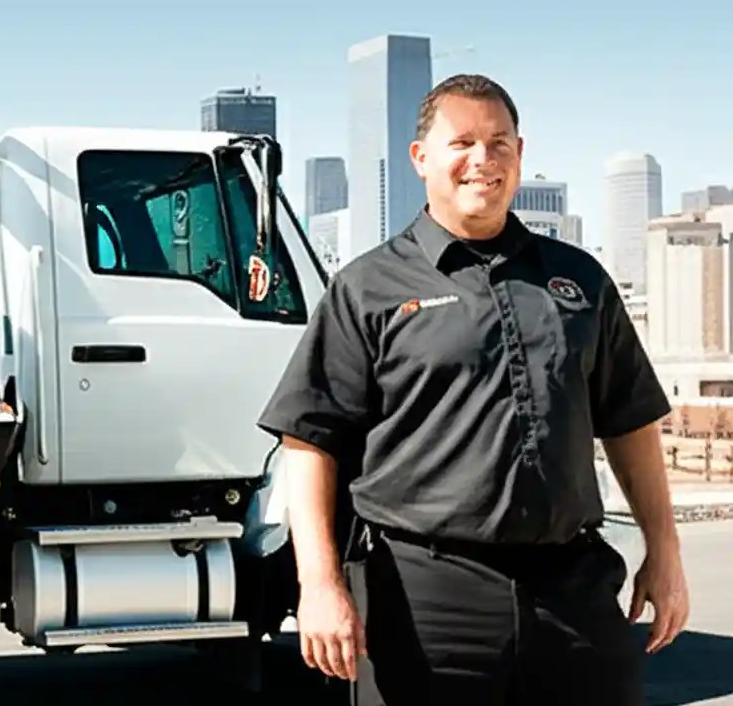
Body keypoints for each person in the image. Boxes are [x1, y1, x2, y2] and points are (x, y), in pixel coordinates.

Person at [257, 74, 690, 705]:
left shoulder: (578, 280)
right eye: (462, 142)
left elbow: (630, 422)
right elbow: (310, 440)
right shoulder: (367, 286)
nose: (483, 160)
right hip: (425, 598)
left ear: (520, 152)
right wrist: (319, 584)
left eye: (500, 142)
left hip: (573, 592)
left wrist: (665, 552)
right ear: (421, 158)